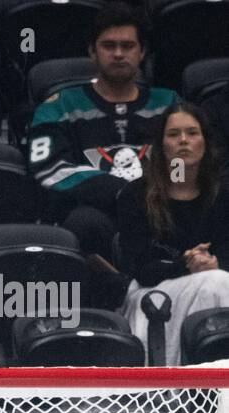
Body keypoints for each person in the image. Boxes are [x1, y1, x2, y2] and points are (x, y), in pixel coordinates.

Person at [26, 4, 178, 265]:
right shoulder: (59, 106)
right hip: (94, 215)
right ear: (92, 52)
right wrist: (121, 192)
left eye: (127, 46)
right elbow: (49, 169)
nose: (118, 54)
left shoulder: (170, 104)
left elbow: (187, 162)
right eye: (109, 46)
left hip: (159, 209)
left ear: (142, 52)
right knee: (83, 223)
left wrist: (161, 192)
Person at [116, 103, 229, 365]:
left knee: (216, 280)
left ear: (205, 142)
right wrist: (186, 265)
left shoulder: (223, 195)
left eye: (192, 133)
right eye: (173, 134)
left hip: (215, 280)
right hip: (153, 292)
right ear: (161, 145)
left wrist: (215, 263)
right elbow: (141, 267)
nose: (183, 141)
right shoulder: (136, 195)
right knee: (215, 282)